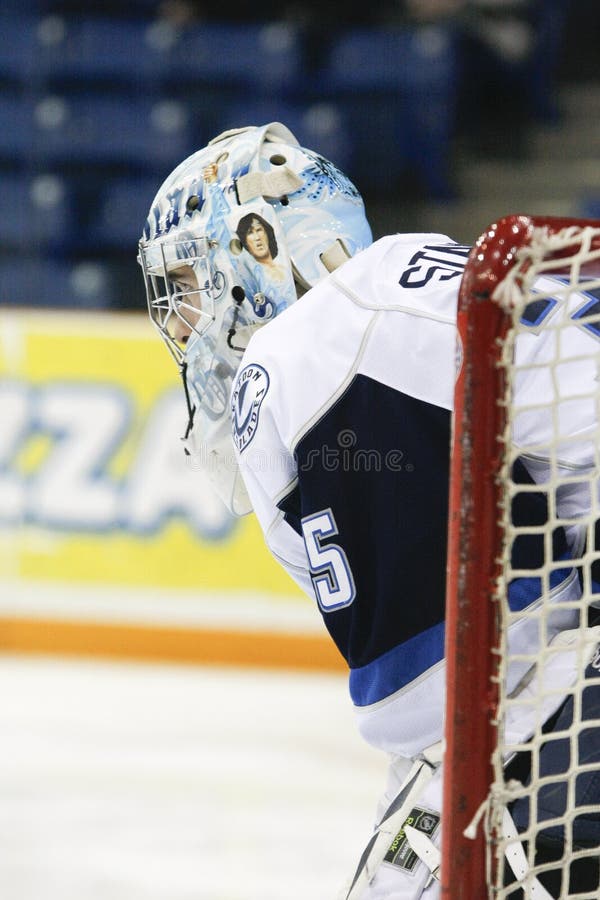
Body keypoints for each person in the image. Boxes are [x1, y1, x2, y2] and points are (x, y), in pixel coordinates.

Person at [137, 122, 600, 898]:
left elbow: (432, 692)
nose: (183, 325)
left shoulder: (312, 344)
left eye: (185, 287)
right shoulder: (422, 289)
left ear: (256, 244)